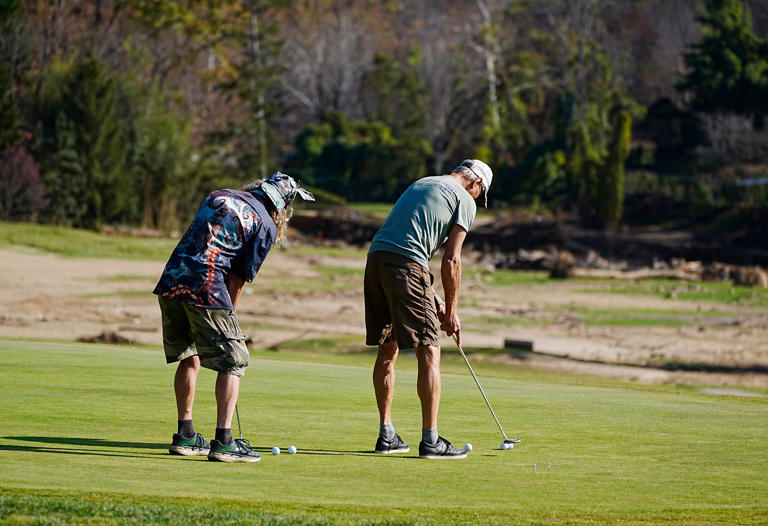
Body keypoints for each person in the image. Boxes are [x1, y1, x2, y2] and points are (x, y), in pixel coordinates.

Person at [154, 172, 314, 463]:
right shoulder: (265, 223)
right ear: (282, 208)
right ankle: (224, 442)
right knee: (234, 359)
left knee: (190, 354)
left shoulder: (218, 195)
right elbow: (237, 279)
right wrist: (230, 315)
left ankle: (186, 435)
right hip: (207, 285)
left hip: (171, 279)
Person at [364, 159, 492, 459]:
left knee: (388, 349)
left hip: (376, 259)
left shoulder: (422, 182)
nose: (477, 200)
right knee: (430, 351)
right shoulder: (464, 199)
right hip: (406, 265)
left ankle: (387, 435)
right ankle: (431, 441)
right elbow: (452, 260)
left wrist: (438, 302)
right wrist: (451, 311)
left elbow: (407, 249)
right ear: (475, 184)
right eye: (479, 194)